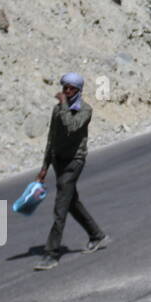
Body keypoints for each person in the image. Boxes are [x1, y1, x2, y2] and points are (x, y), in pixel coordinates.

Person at [34, 73, 110, 271]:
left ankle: (51, 253)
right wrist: (44, 168)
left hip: (75, 161)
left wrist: (63, 105)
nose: (66, 92)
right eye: (65, 88)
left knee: (61, 205)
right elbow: (52, 139)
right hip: (59, 161)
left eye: (71, 89)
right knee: (71, 201)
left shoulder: (85, 110)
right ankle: (97, 235)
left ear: (78, 90)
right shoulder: (58, 110)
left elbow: (71, 126)